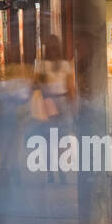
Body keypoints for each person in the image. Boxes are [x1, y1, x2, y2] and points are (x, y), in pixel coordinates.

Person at [33, 35, 75, 185]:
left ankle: (52, 171)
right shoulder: (64, 65)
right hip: (60, 101)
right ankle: (60, 170)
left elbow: (37, 84)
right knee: (60, 139)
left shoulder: (42, 65)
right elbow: (70, 88)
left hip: (49, 100)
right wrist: (73, 104)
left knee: (50, 139)